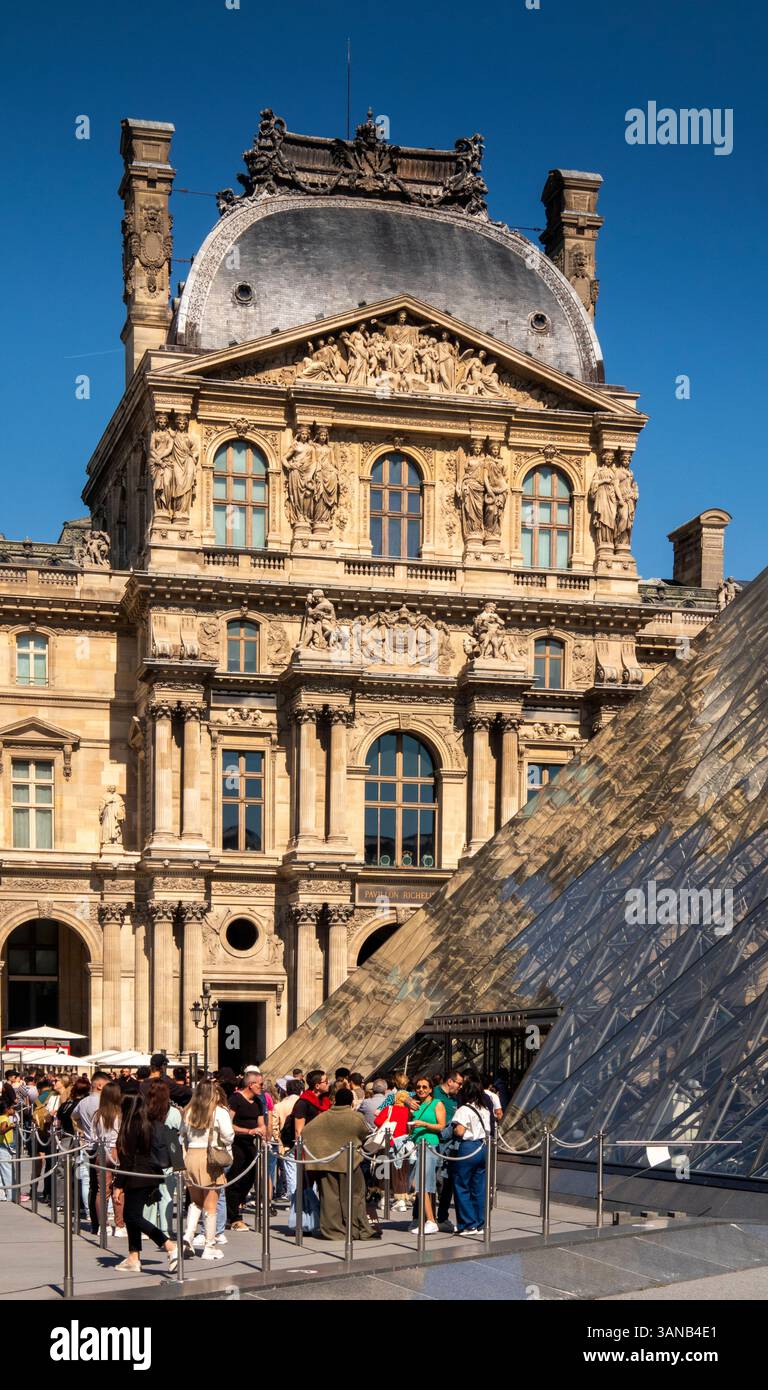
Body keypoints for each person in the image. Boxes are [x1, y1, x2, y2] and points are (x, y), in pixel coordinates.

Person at [113, 1093, 179, 1274]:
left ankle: (169, 1245)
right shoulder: (151, 1124)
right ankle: (133, 1257)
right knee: (131, 1215)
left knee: (133, 1216)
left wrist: (118, 1185)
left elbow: (126, 1159)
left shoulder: (130, 1127)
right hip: (152, 1174)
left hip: (136, 1175)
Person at [304, 1089, 380, 1241]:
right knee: (355, 1196)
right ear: (351, 1102)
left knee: (330, 1198)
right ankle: (359, 1229)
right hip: (350, 1163)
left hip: (326, 1163)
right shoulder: (355, 1117)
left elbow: (306, 1132)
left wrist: (321, 1150)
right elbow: (365, 1133)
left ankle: (335, 1232)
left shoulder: (323, 1116)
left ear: (335, 1100)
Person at [181, 1080, 234, 1260]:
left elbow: (182, 1135)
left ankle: (188, 1235)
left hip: (191, 1156)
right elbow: (229, 1136)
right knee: (211, 1204)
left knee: (196, 1201)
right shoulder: (219, 1112)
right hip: (209, 1157)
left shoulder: (188, 1111)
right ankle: (209, 1245)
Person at [226, 1066, 267, 1230]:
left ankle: (237, 1206)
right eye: (260, 1084)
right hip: (237, 1145)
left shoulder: (258, 1101)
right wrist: (248, 1131)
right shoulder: (235, 1099)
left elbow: (261, 1122)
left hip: (252, 1146)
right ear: (250, 1084)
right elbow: (228, 1124)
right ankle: (234, 1216)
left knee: (250, 1178)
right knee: (236, 1178)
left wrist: (262, 1130)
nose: (262, 1087)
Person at [452, 1075, 492, 1235]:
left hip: (468, 1148)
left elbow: (460, 1131)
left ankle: (468, 1224)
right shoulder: (485, 1110)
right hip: (482, 1147)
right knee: (479, 1186)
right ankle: (480, 1222)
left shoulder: (464, 1109)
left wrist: (453, 1129)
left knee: (461, 1185)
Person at [72, 1070, 111, 1233]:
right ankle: (104, 1221)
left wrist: (83, 1130)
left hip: (88, 1145)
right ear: (100, 1085)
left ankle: (95, 1222)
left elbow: (74, 1117)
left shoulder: (83, 1102)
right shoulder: (103, 1103)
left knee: (93, 1185)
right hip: (103, 1146)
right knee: (104, 1186)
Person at [407, 1076, 446, 1235]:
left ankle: (430, 1220)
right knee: (422, 1184)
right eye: (418, 1087)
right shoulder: (415, 1104)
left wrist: (424, 1124)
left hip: (429, 1145)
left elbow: (441, 1126)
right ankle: (428, 1219)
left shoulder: (437, 1104)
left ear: (431, 1089)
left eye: (424, 1087)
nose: (421, 1090)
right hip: (416, 1146)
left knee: (422, 1184)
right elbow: (394, 1098)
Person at [143, 1081, 180, 1236]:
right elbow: (180, 1134)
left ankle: (147, 1228)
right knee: (167, 1195)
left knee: (148, 1194)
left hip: (148, 1157)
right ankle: (165, 1228)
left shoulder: (144, 1111)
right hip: (168, 1158)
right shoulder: (174, 1113)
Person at [93, 1080, 126, 1237]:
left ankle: (103, 1225)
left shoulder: (98, 1114)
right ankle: (119, 1225)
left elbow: (95, 1136)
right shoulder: (120, 1114)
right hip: (116, 1151)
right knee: (119, 1188)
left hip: (101, 1151)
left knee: (102, 1191)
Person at [373, 1088, 413, 1210]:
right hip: (403, 1146)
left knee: (383, 1171)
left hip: (387, 1143)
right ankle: (400, 1201)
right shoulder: (409, 1112)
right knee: (401, 1173)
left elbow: (377, 1121)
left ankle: (384, 1199)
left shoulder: (388, 1109)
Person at [434, 1070, 464, 1230]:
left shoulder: (454, 1099)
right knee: (435, 1180)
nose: (460, 1087)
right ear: (450, 1081)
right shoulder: (434, 1093)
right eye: (459, 1083)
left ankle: (442, 1216)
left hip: (450, 1147)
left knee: (447, 1182)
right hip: (436, 1144)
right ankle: (429, 1217)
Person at [0, 1097, 15, 1200]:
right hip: (4, 1148)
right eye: (12, 1108)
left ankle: (2, 1195)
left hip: (1, 1147)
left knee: (1, 1172)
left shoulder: (0, 1117)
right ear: (7, 1110)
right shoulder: (5, 1119)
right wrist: (11, 1127)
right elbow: (2, 1130)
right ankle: (11, 1195)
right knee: (8, 1171)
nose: (13, 1110)